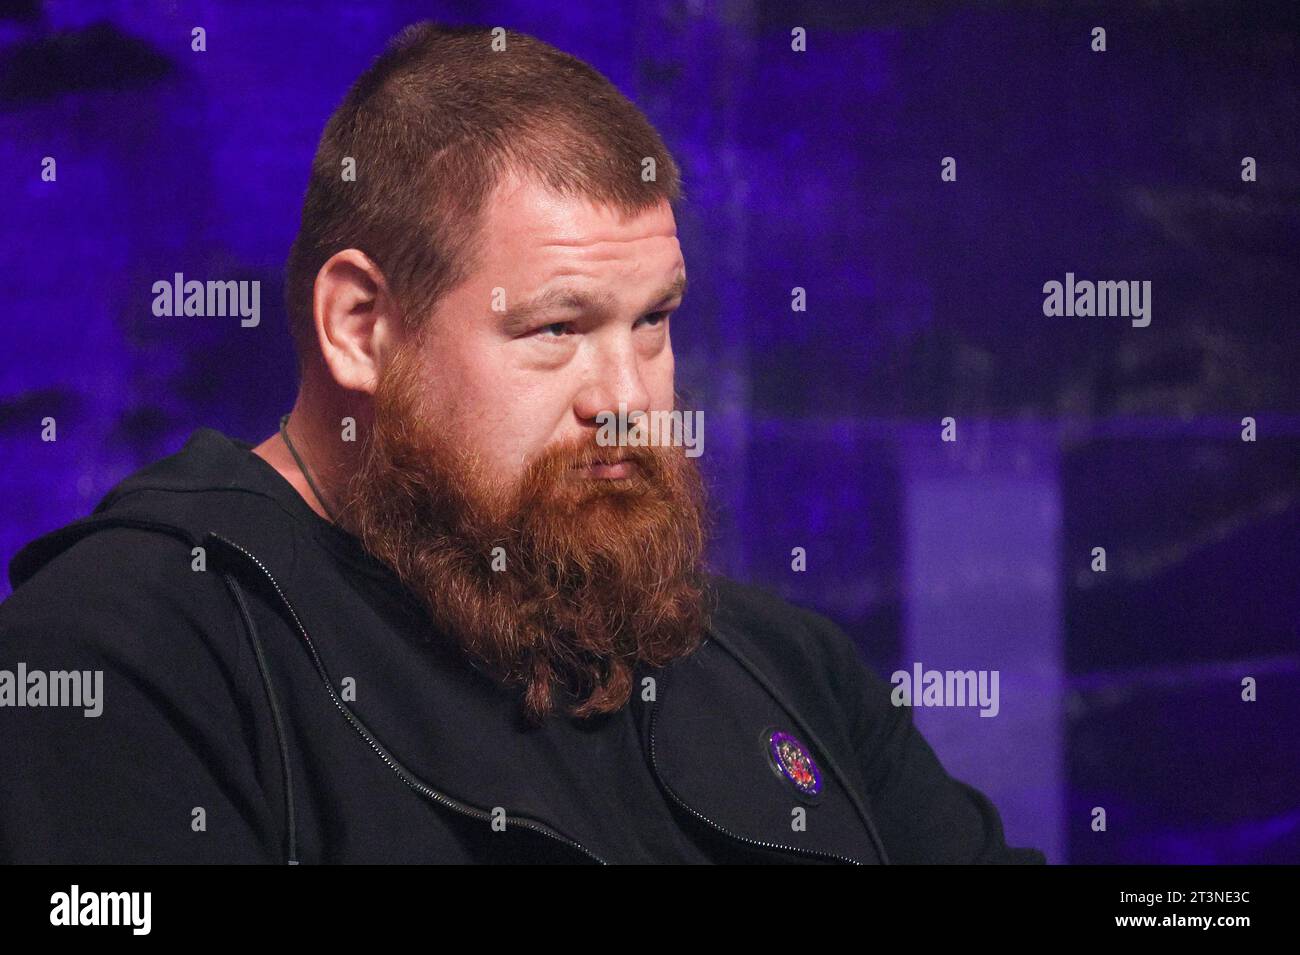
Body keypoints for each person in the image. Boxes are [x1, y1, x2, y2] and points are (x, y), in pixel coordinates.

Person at [0, 22, 1045, 865]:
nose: (629, 401)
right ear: (360, 324)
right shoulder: (124, 653)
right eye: (557, 328)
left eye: (653, 321)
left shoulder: (780, 665)